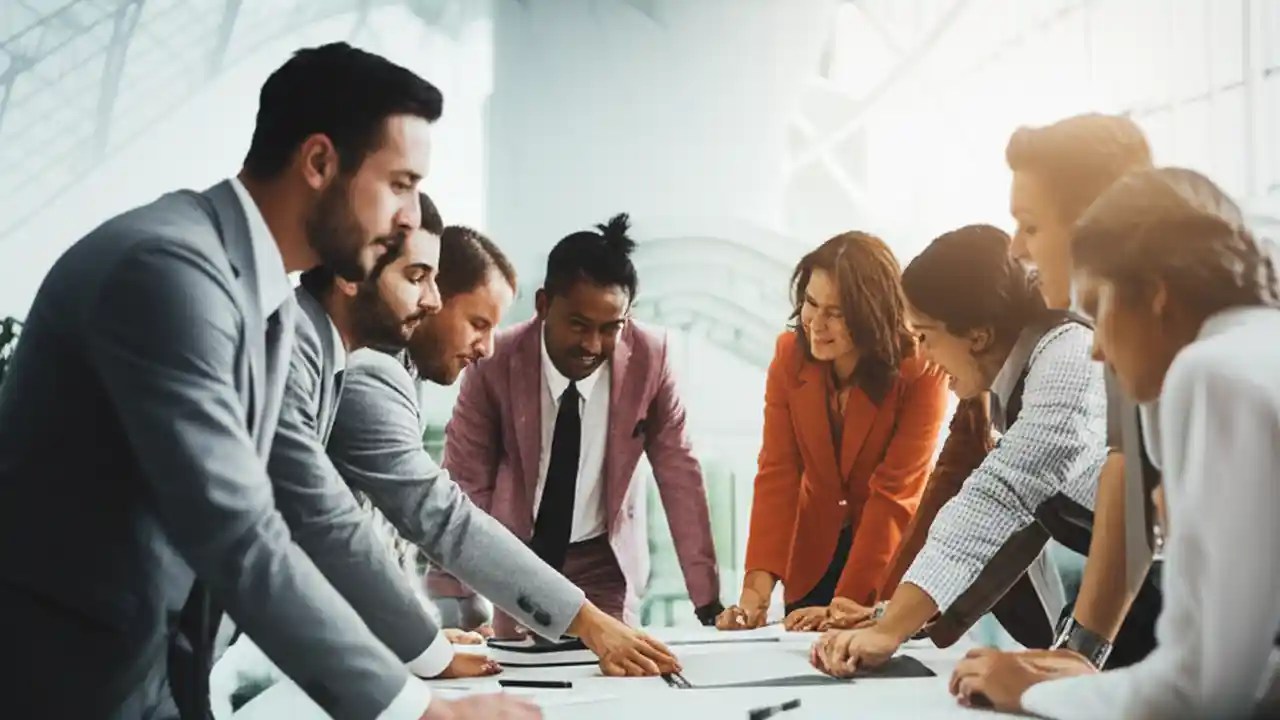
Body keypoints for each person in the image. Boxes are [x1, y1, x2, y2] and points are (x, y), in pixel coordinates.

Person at [0, 42, 537, 720]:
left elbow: (308, 513)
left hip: (155, 684)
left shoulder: (270, 309)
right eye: (400, 183)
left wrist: (423, 666)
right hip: (65, 690)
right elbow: (239, 532)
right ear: (318, 162)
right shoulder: (165, 270)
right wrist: (425, 711)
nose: (411, 216)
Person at [950, 167, 1280, 720]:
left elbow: (1200, 692)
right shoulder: (1259, 346)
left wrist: (1027, 689)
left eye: (1098, 309)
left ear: (1156, 295)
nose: (1097, 349)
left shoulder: (1210, 371)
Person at [325, 223, 682, 677]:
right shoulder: (373, 374)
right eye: (478, 324)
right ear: (433, 299)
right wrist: (589, 622)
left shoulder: (399, 373)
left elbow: (379, 538)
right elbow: (442, 519)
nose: (487, 347)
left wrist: (418, 639)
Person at [811, 224, 1109, 676]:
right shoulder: (1014, 373)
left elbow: (997, 499)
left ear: (978, 336)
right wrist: (889, 617)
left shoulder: (1068, 361)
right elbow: (967, 497)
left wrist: (888, 629)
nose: (924, 355)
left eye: (926, 336)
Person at [431, 213, 724, 636]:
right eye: (578, 325)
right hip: (517, 557)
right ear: (544, 304)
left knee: (617, 675)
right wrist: (459, 602)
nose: (592, 345)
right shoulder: (494, 363)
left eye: (611, 329)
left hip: (604, 566)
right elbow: (465, 483)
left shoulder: (651, 359)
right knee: (518, 680)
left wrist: (708, 602)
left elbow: (679, 474)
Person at [714, 232, 948, 632]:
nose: (816, 325)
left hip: (889, 565)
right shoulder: (789, 357)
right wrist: (755, 592)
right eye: (810, 303)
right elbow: (779, 472)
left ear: (871, 314)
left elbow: (894, 494)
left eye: (836, 313)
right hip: (812, 560)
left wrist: (846, 606)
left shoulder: (921, 370)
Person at [1006, 113, 1163, 670]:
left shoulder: (1182, 337)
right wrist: (1082, 654)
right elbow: (1129, 472)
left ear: (1095, 225)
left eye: (1030, 225)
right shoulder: (1124, 321)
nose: (1015, 249)